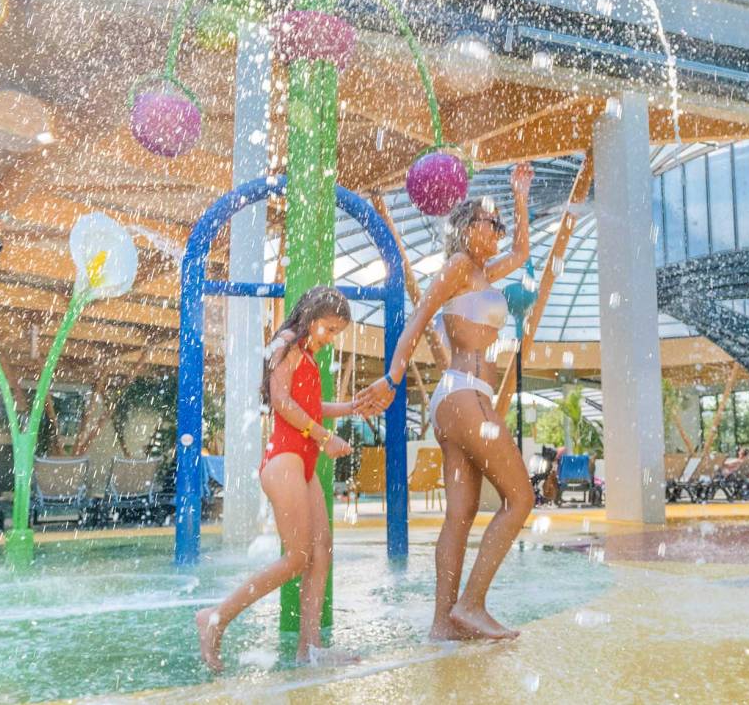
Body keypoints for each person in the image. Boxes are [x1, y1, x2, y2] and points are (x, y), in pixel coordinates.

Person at [358, 162, 535, 641]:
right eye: (490, 223)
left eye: (499, 224)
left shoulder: (483, 271)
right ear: (465, 229)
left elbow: (522, 250)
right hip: (464, 395)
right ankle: (472, 605)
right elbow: (418, 319)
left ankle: (443, 624)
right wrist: (392, 380)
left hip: (460, 399)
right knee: (521, 498)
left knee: (460, 515)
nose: (498, 232)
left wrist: (518, 194)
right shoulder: (459, 268)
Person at [196, 286, 379, 671]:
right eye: (329, 329)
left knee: (321, 550)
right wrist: (325, 436)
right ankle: (215, 617)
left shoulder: (307, 355)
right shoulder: (287, 344)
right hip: (284, 460)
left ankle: (309, 648)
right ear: (312, 318)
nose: (331, 339)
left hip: (303, 461)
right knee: (297, 558)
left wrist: (349, 407)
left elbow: (308, 405)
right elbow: (281, 402)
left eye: (336, 332)